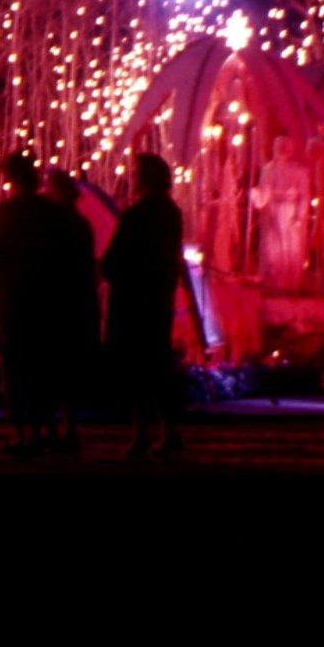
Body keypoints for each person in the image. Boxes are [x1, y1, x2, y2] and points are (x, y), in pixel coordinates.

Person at [0, 154, 88, 457]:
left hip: (12, 302)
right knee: (42, 366)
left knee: (14, 368)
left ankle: (21, 433)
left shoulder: (8, 212)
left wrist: (2, 271)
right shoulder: (50, 213)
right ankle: (44, 427)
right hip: (45, 301)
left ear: (11, 180)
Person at [101, 151, 191, 456]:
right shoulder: (171, 213)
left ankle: (144, 432)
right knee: (156, 366)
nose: (132, 178)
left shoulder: (136, 216)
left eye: (136, 173)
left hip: (134, 301)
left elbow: (116, 260)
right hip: (158, 299)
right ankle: (164, 430)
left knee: (140, 369)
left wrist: (107, 267)